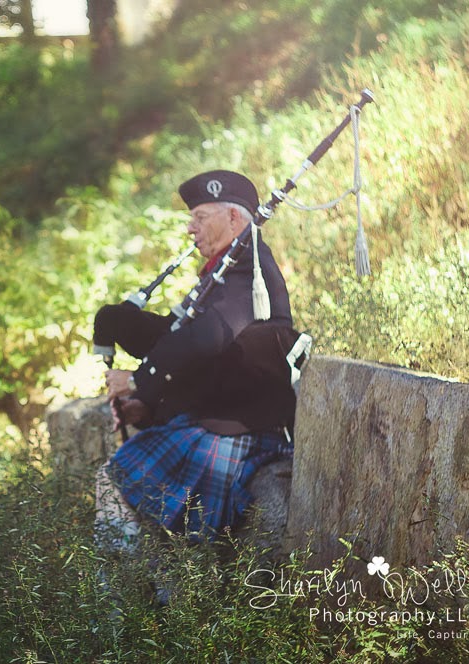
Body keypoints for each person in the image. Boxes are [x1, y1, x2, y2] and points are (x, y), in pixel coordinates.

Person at [92, 169, 310, 560]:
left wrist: (141, 380)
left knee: (114, 481)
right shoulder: (226, 271)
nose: (190, 229)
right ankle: (149, 603)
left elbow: (206, 340)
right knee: (135, 505)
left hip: (240, 431)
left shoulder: (250, 270)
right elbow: (200, 356)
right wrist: (147, 407)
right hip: (218, 421)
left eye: (200, 217)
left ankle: (116, 612)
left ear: (234, 218)